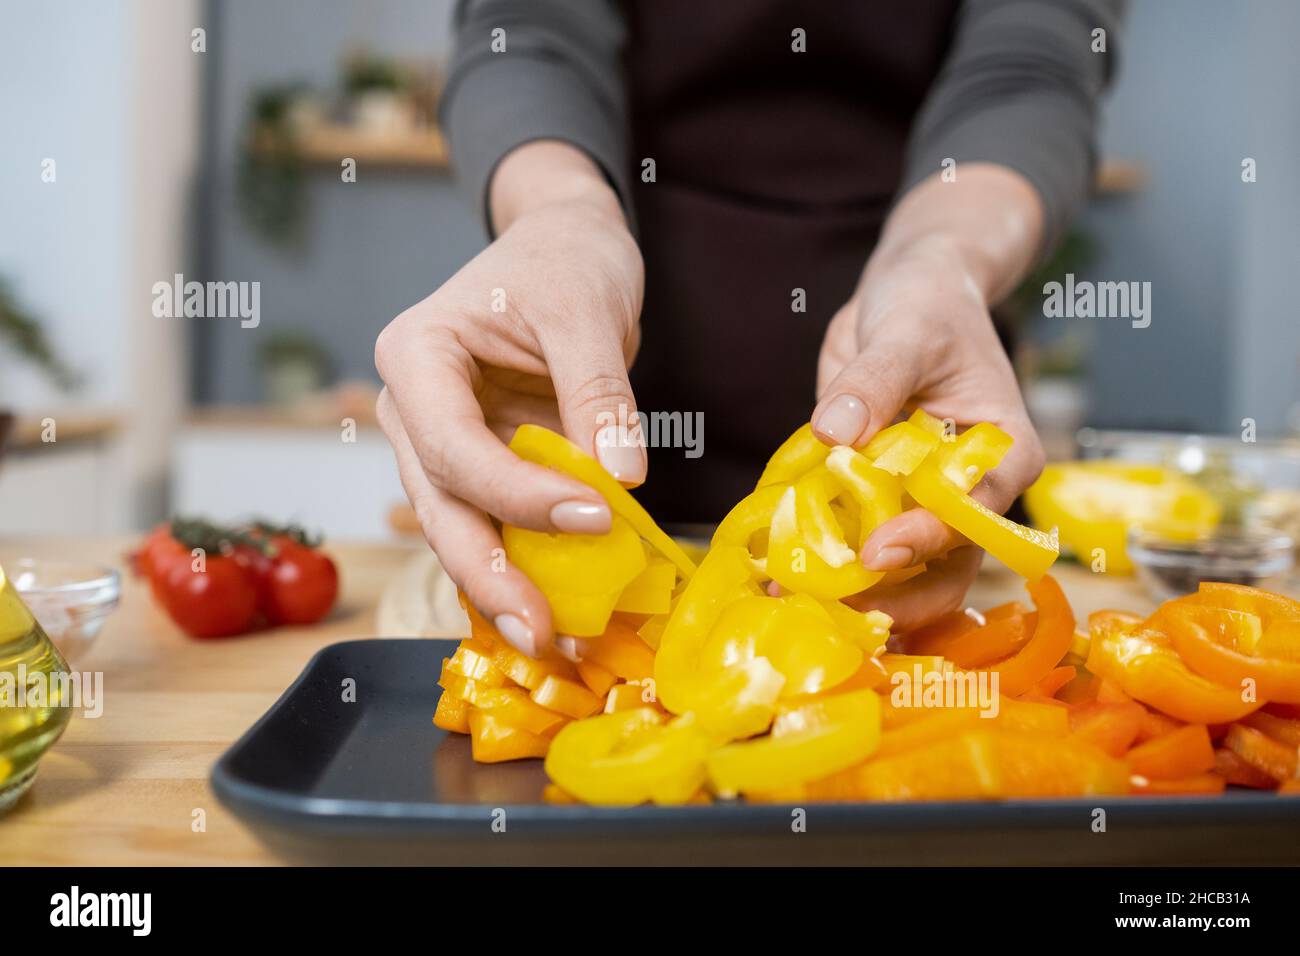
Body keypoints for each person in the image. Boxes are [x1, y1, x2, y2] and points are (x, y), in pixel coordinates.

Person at [375, 0, 1123, 657]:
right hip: (606, 381)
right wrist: (561, 215)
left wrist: (945, 258)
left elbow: (1031, 63)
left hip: (925, 393)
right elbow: (529, 27)